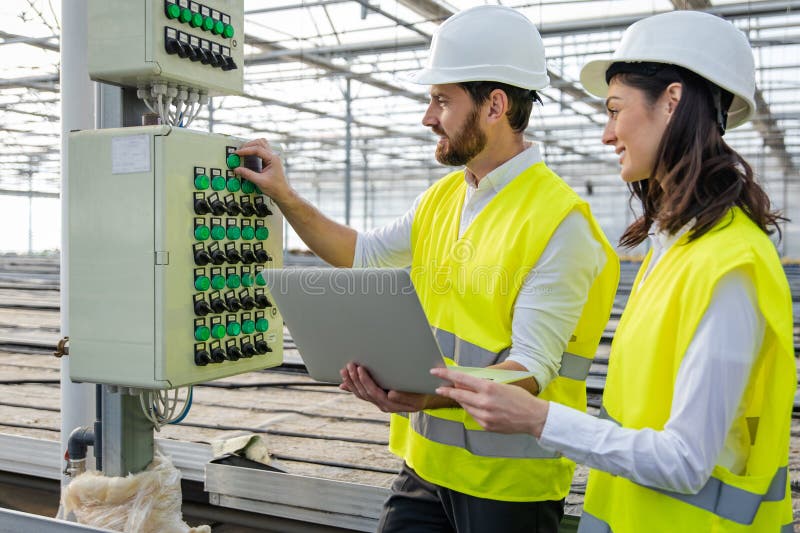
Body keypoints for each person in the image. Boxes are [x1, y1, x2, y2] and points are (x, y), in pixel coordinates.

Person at [235, 6, 620, 532]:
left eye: (442, 99)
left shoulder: (560, 221)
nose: (427, 116)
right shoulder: (443, 197)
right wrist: (284, 195)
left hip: (506, 484)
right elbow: (362, 253)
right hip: (425, 463)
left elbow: (531, 368)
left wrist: (430, 394)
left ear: (496, 106)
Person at [433, 10, 794, 533]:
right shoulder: (674, 249)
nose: (606, 134)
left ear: (671, 102)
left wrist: (539, 418)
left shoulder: (731, 266)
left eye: (615, 110)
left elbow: (687, 460)